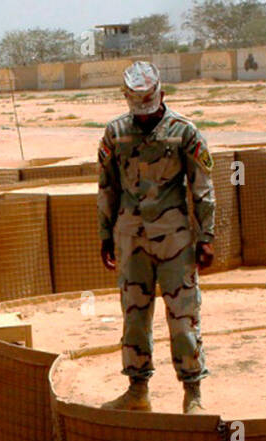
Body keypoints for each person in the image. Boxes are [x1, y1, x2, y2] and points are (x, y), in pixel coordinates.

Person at [97, 60, 216, 414]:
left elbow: (203, 188)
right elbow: (106, 188)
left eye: (150, 107)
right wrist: (105, 236)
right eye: (139, 109)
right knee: (134, 317)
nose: (145, 117)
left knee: (183, 319)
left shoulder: (185, 132)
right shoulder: (114, 134)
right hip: (130, 242)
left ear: (162, 94)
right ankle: (137, 390)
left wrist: (206, 237)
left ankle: (192, 393)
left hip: (175, 243)